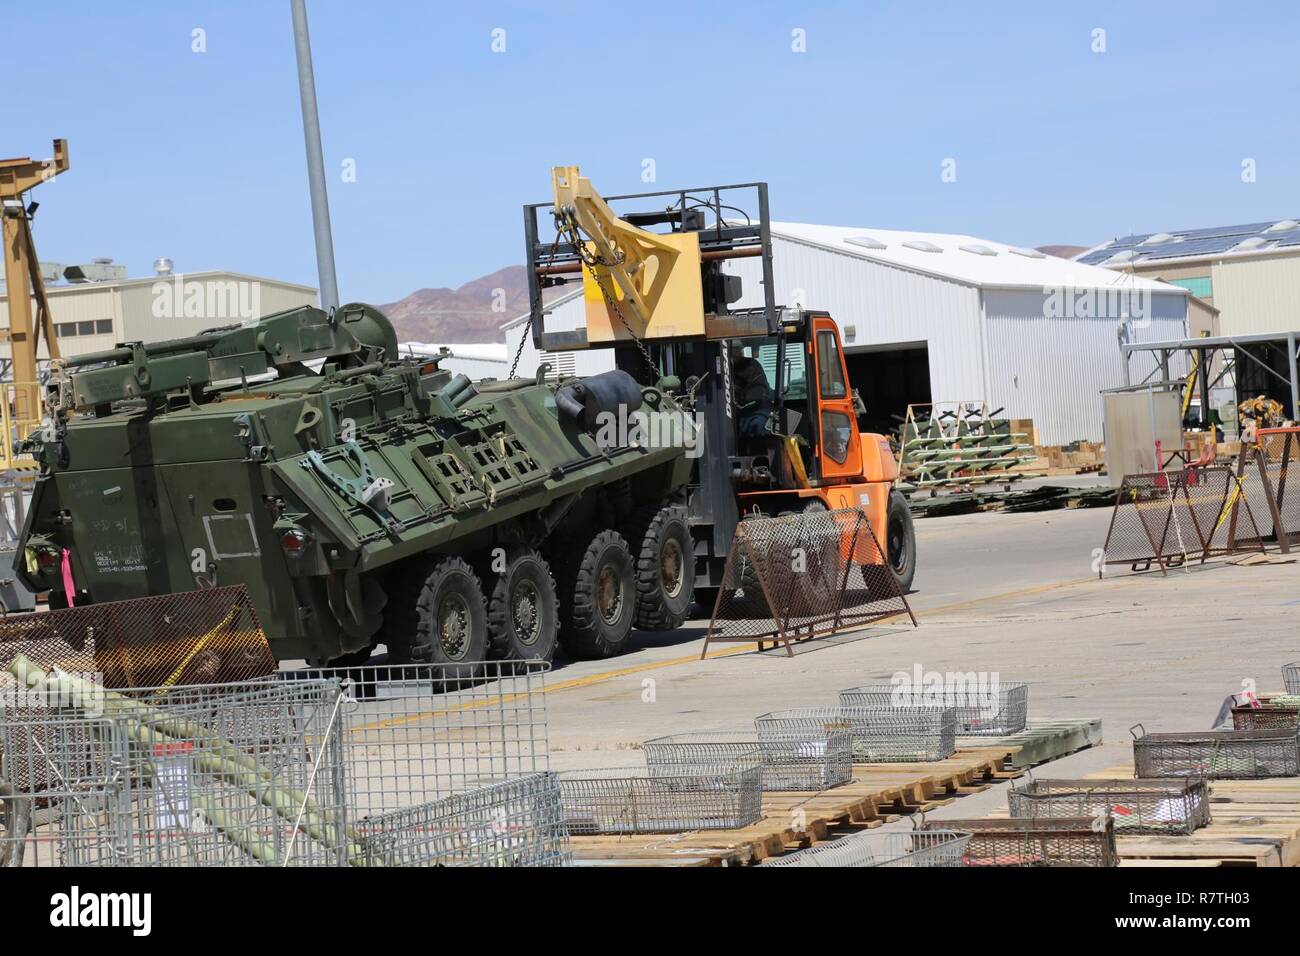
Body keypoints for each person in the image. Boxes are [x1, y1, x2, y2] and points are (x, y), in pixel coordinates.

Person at [733, 356, 773, 441]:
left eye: (737, 349)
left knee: (758, 426)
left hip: (755, 411)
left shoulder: (750, 365)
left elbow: (757, 393)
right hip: (740, 414)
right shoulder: (726, 367)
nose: (736, 352)